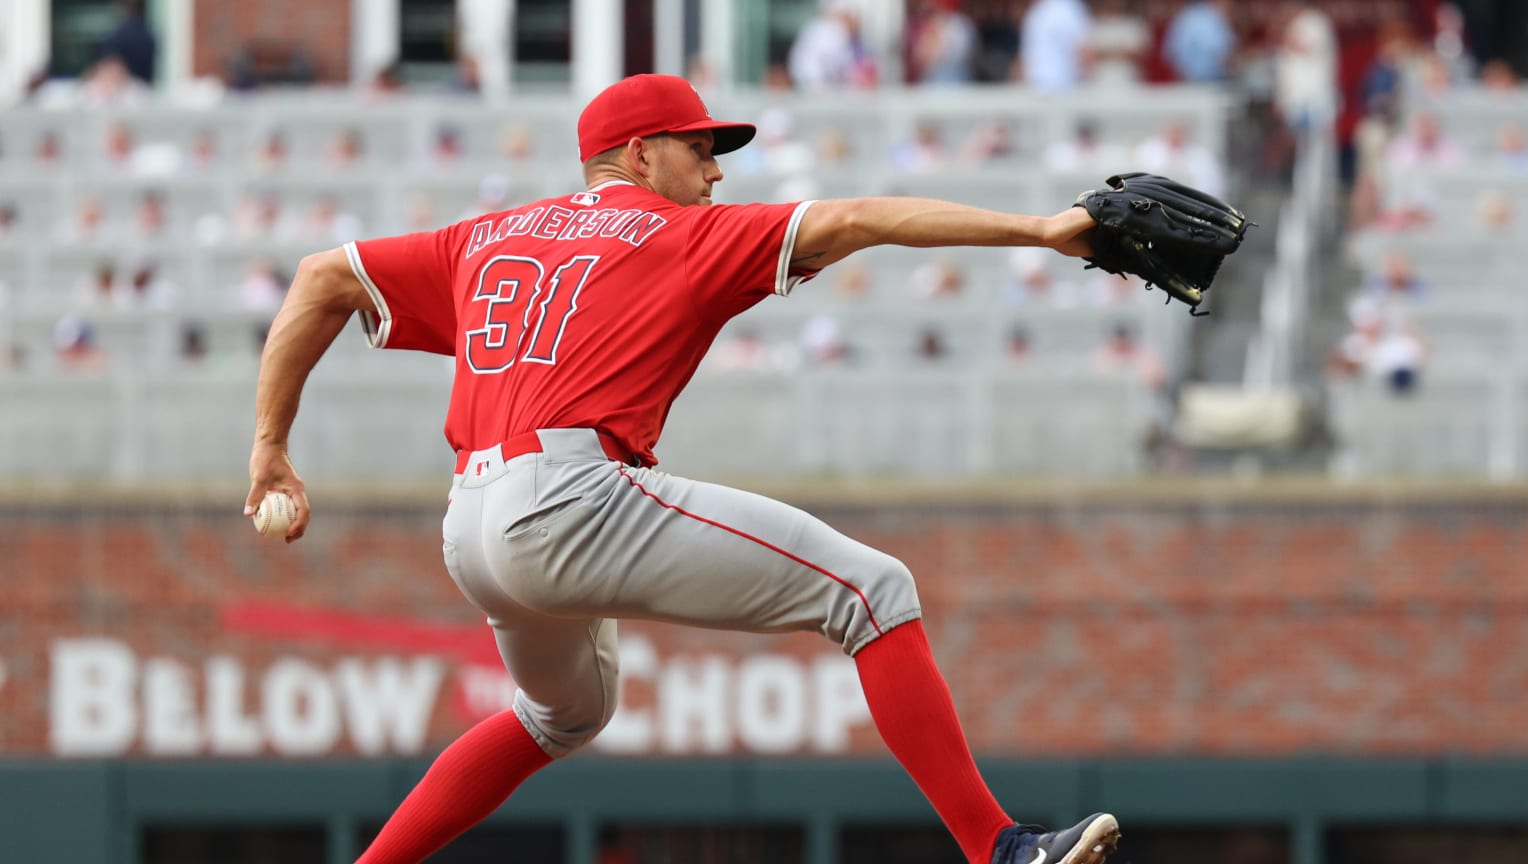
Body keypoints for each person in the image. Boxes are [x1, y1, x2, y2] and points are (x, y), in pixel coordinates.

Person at [244, 74, 1119, 864]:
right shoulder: (680, 235)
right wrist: (1040, 230)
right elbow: (860, 220)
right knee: (872, 593)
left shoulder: (487, 235)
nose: (715, 171)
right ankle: (997, 848)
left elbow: (322, 276)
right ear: (638, 153)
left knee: (563, 715)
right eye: (698, 149)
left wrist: (270, 447)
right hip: (569, 500)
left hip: (471, 527)